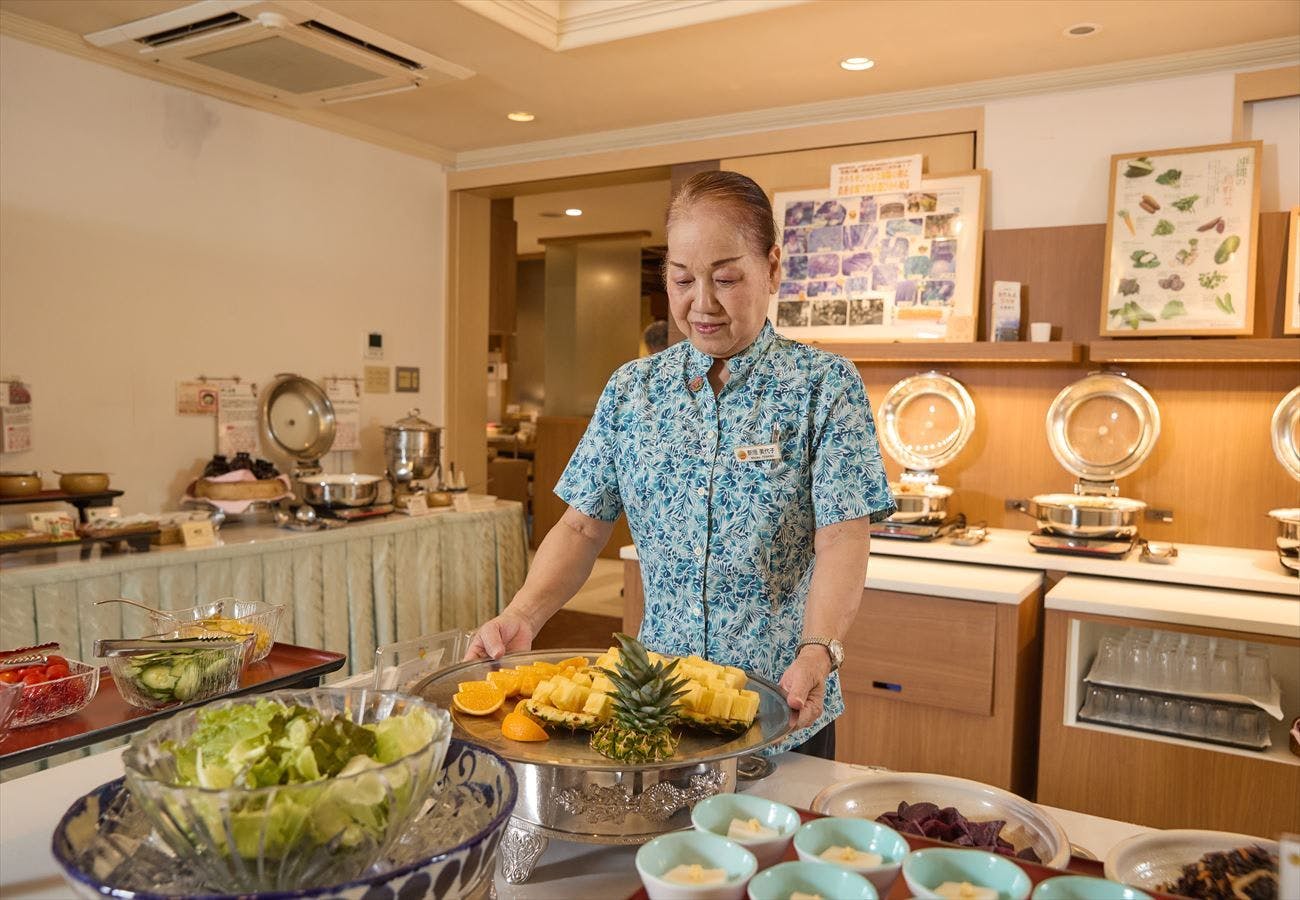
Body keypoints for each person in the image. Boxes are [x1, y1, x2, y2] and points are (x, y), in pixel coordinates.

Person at [468, 171, 895, 758]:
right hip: (656, 703)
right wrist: (523, 613)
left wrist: (819, 648)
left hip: (782, 703)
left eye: (726, 278)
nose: (703, 304)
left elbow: (843, 537)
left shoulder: (823, 386)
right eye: (682, 280)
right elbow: (580, 525)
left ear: (772, 267)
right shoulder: (632, 390)